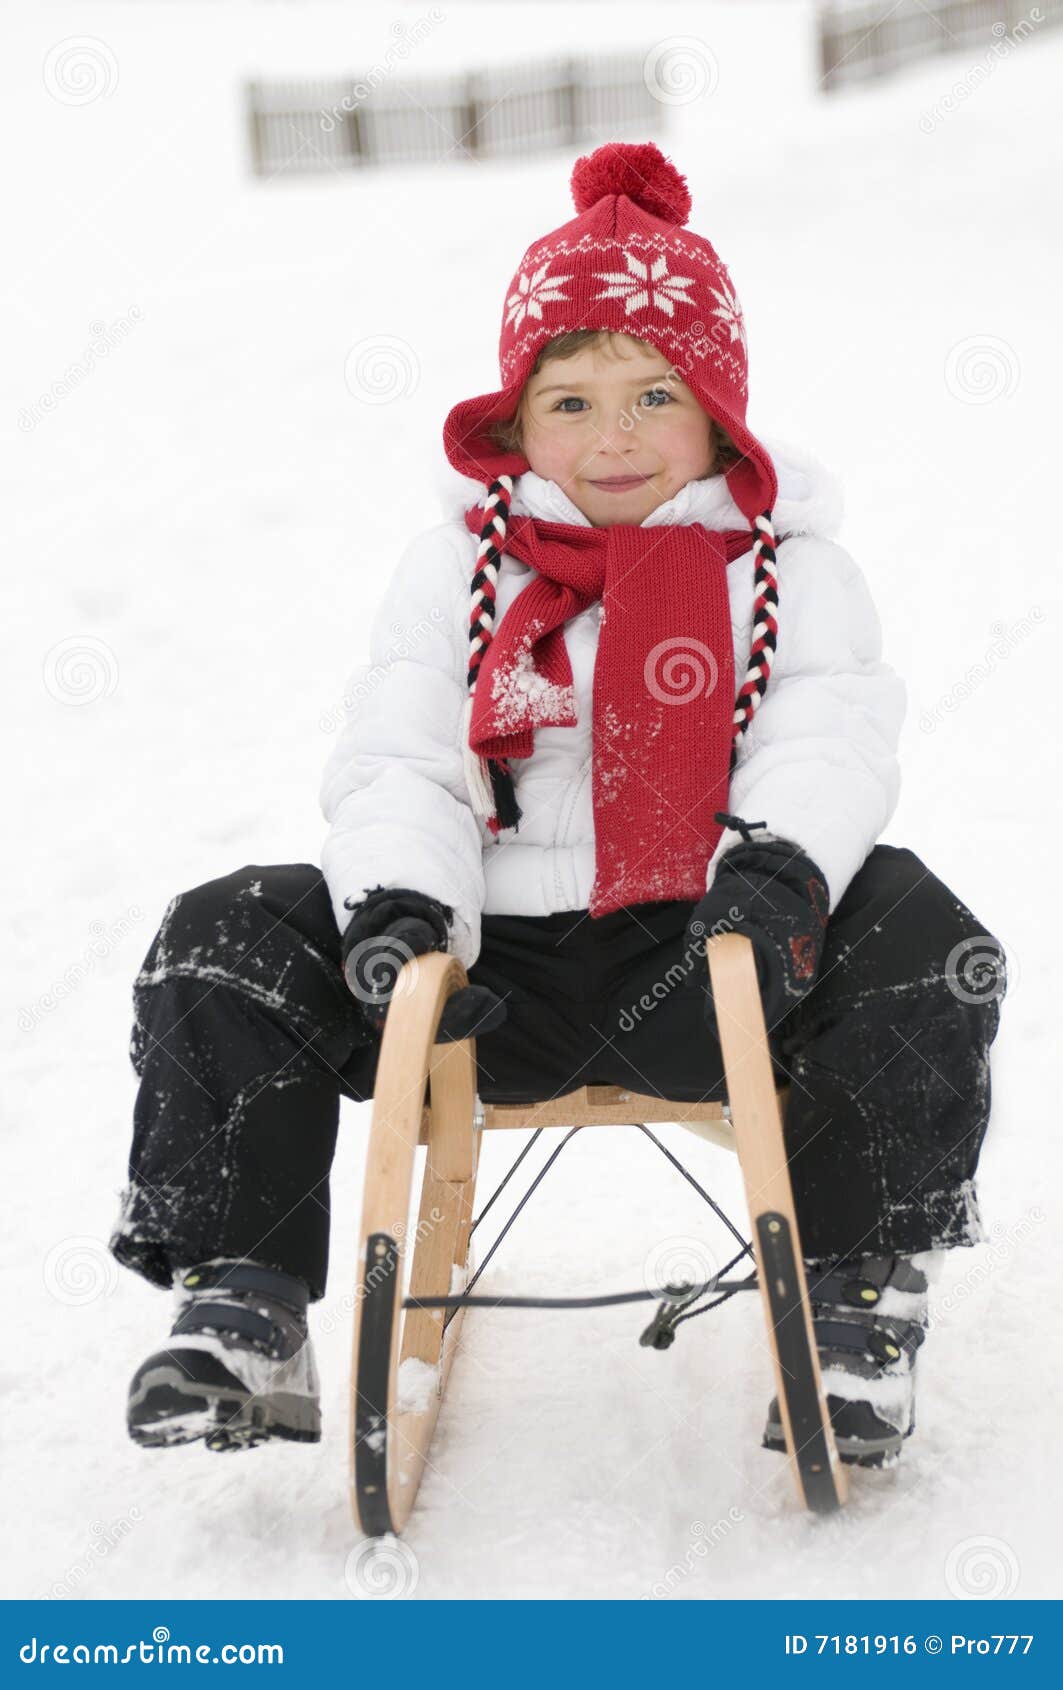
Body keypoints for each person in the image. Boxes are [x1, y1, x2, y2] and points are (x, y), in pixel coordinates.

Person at [109, 141, 1005, 1468]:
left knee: (922, 921)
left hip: (722, 967)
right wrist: (401, 915)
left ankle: (856, 1293)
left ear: (720, 413)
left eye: (655, 394)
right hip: (486, 982)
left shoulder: (787, 575)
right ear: (516, 424)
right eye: (570, 403)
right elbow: (400, 760)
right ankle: (245, 1295)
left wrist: (777, 881)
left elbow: (829, 738)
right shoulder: (457, 575)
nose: (616, 436)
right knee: (223, 930)